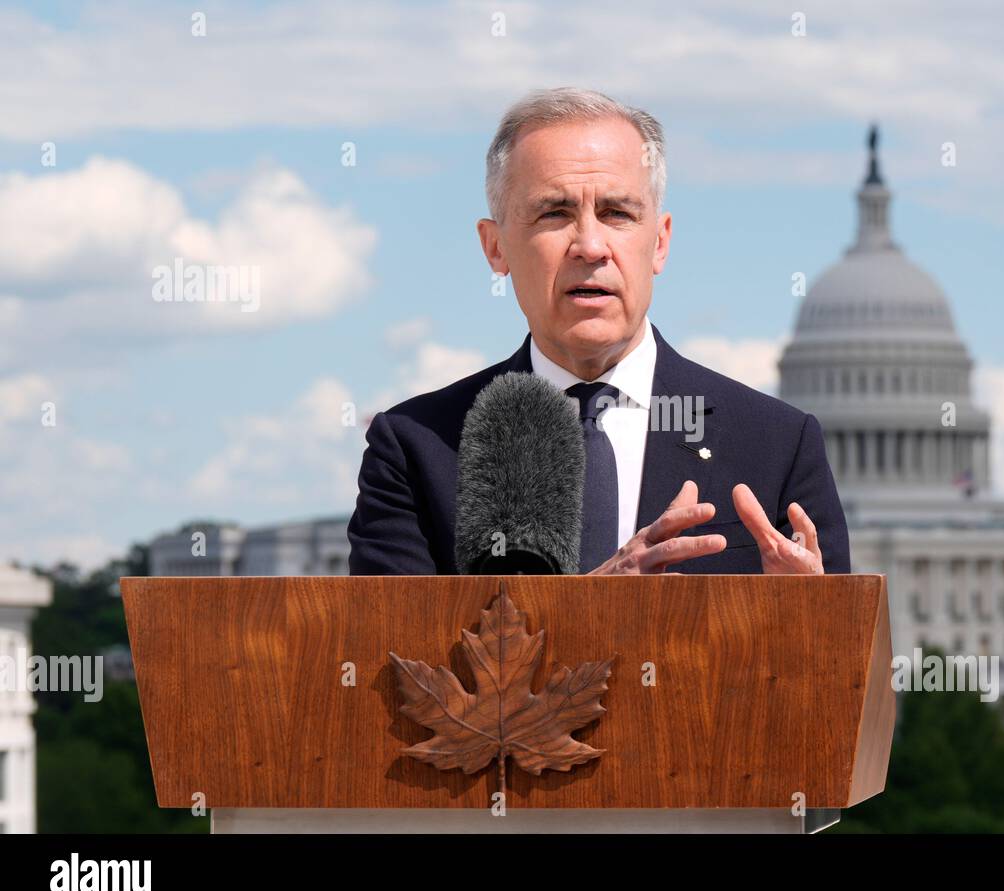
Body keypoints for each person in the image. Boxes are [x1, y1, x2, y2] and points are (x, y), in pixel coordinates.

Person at [348, 87, 850, 576]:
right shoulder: (417, 449)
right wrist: (597, 608)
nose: (590, 246)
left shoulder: (776, 444)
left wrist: (808, 621)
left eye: (617, 213)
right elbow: (394, 654)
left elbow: (837, 655)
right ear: (495, 247)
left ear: (659, 243)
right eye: (555, 213)